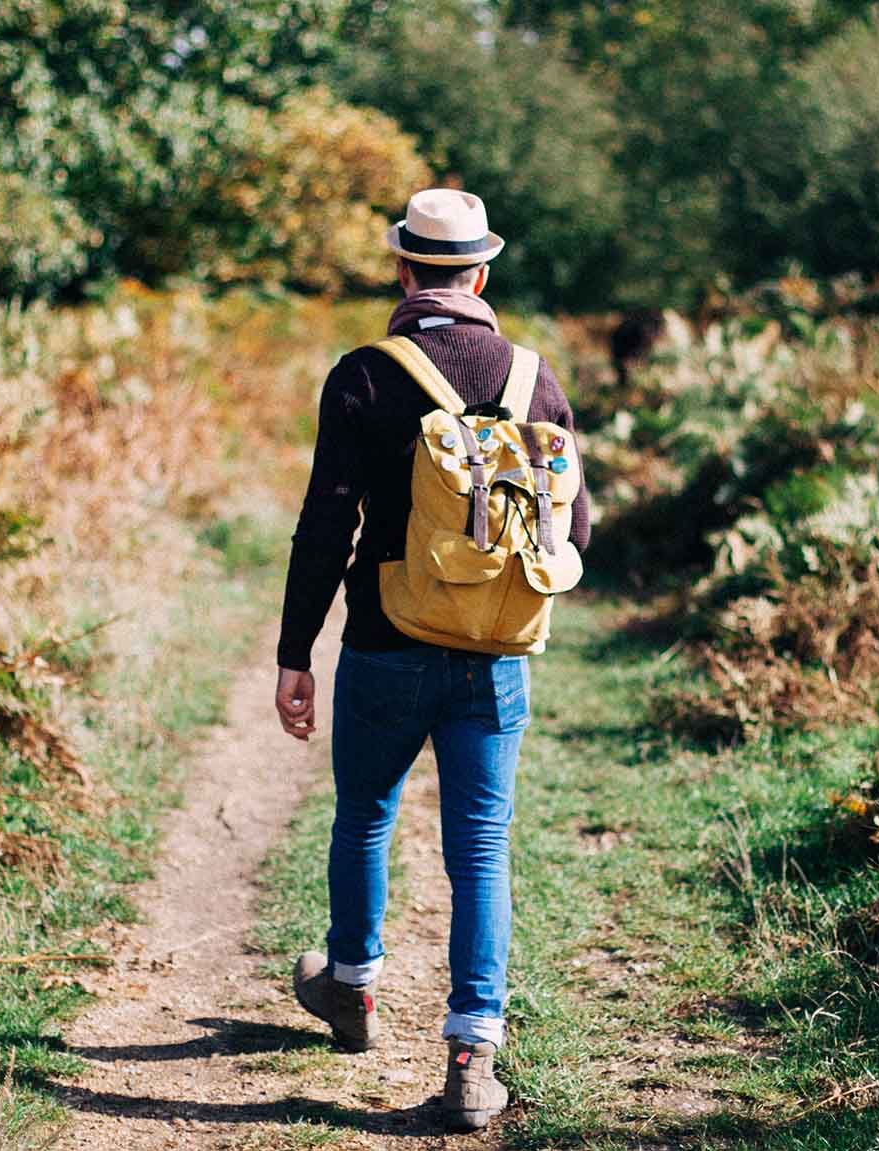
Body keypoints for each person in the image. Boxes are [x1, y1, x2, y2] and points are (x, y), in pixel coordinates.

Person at [272, 188, 592, 1131]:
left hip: (382, 641)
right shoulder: (537, 379)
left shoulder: (366, 374)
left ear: (404, 271)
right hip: (495, 655)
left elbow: (326, 522)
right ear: (482, 275)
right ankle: (472, 1053)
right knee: (481, 848)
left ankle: (352, 989)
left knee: (365, 814)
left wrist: (298, 651)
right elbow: (574, 525)